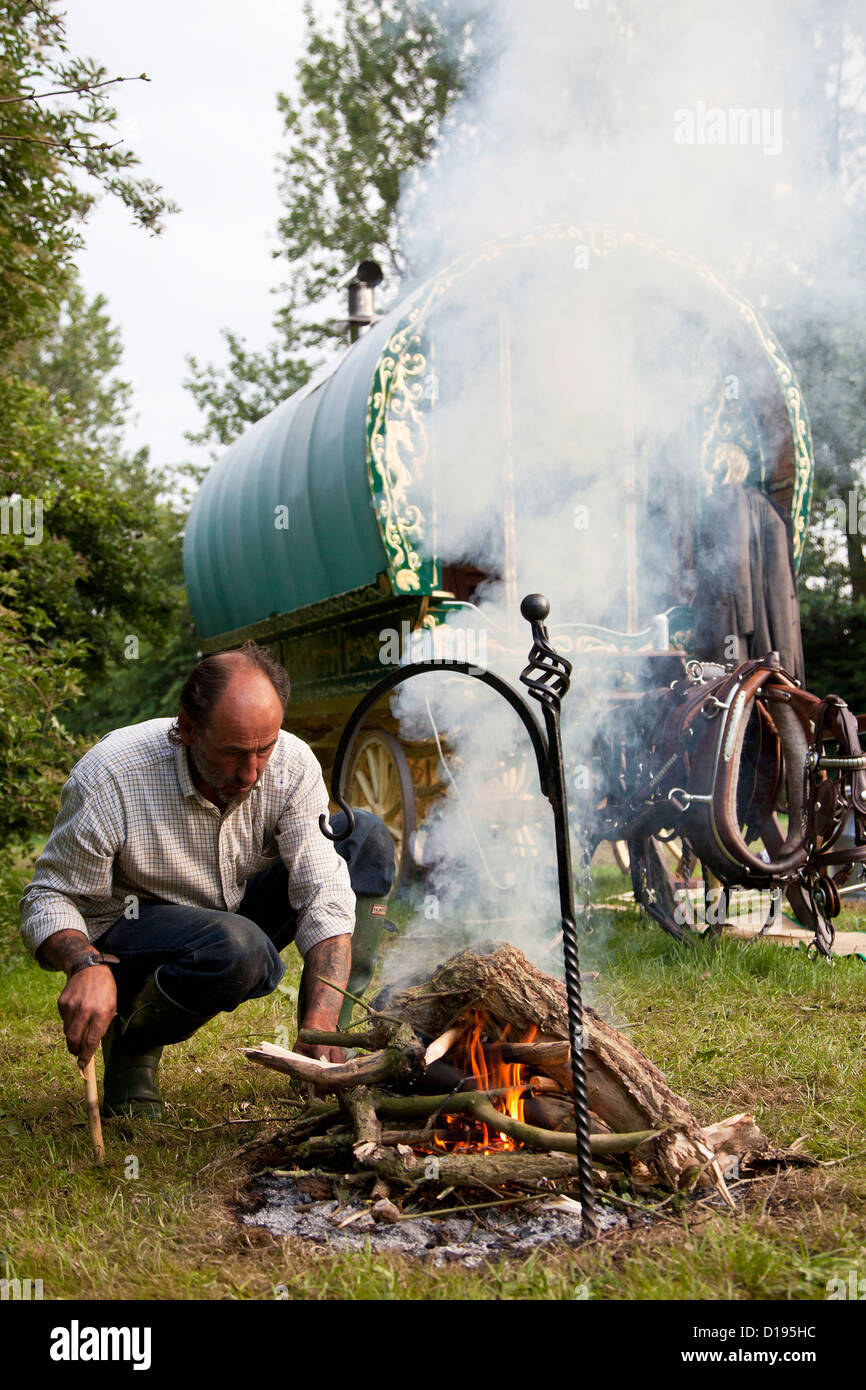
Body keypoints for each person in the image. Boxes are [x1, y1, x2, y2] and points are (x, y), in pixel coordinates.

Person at [18, 641, 395, 1118]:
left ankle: (323, 1051)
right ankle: (132, 1046)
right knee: (237, 945)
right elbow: (48, 897)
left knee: (364, 838)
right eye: (234, 753)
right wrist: (85, 963)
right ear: (188, 729)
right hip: (135, 927)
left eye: (264, 749)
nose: (251, 773)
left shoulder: (291, 765)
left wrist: (321, 1020)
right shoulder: (112, 775)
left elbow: (323, 889)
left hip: (233, 907)